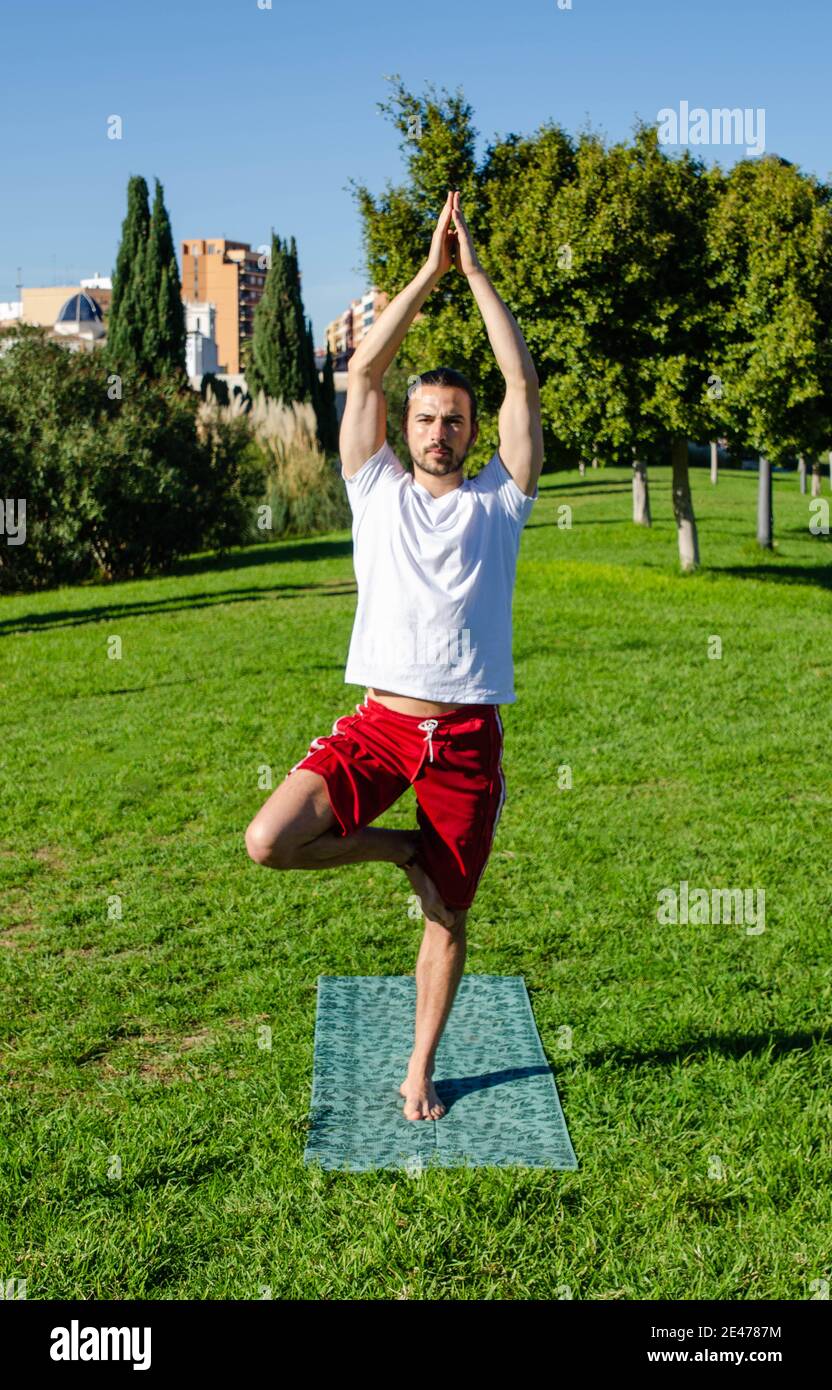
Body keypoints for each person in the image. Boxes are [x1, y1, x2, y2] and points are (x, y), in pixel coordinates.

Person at [245, 190, 543, 1122]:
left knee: (448, 918)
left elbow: (521, 386)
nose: (440, 431)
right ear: (406, 427)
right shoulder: (373, 488)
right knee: (269, 840)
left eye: (455, 419)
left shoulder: (502, 502)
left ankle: (420, 1068)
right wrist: (427, 273)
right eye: (427, 418)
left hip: (463, 743)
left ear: (470, 431)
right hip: (378, 729)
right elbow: (364, 375)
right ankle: (398, 848)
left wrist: (477, 274)